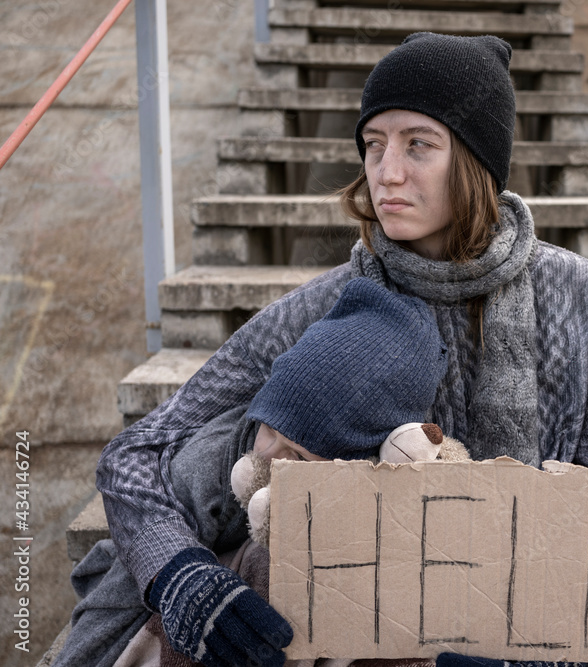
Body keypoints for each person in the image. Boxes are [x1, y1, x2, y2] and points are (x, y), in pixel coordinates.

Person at [84, 31, 588, 667]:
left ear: (477, 161)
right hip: (356, 625)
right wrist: (180, 576)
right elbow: (133, 454)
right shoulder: (330, 306)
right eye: (374, 145)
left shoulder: (579, 294)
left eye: (418, 145)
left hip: (526, 623)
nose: (386, 172)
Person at [55, 276, 449, 667]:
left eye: (298, 453)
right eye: (270, 430)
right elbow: (124, 462)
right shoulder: (218, 462)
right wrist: (180, 579)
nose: (273, 455)